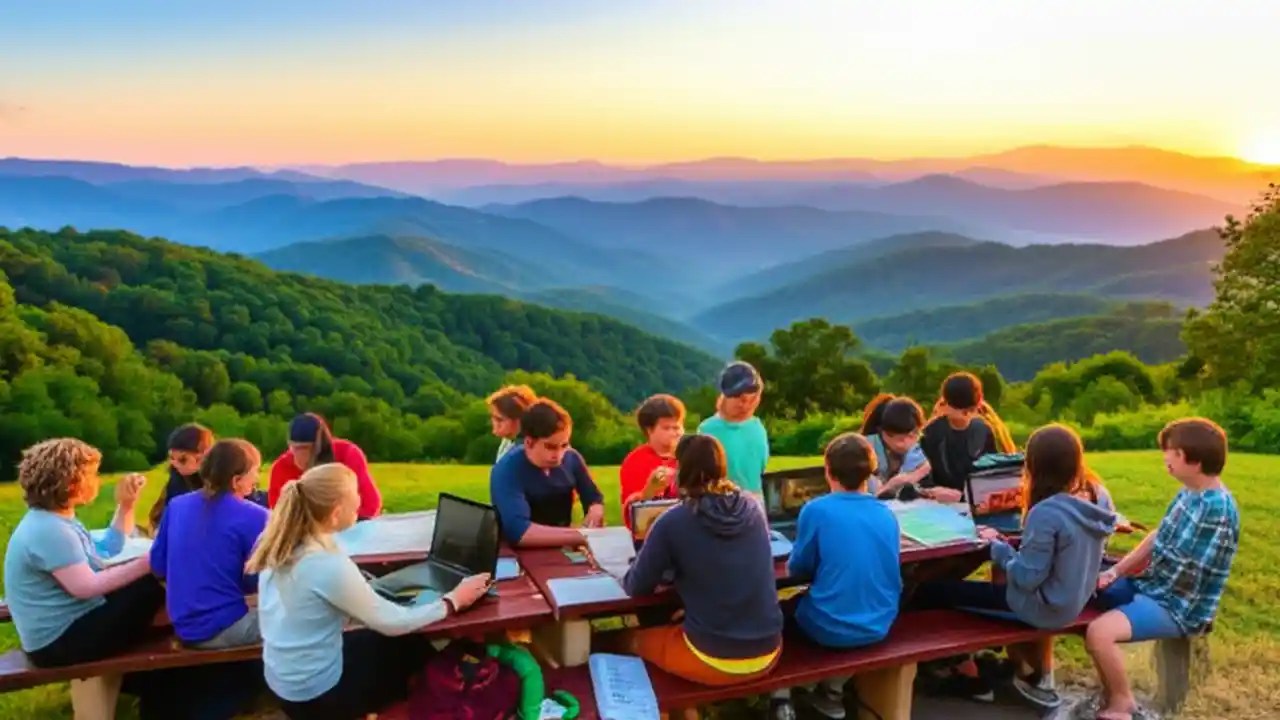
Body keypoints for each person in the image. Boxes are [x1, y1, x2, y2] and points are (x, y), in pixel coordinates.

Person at [251, 463, 491, 720]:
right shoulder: (325, 563)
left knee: (392, 641)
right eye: (355, 493)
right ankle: (440, 700)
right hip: (318, 697)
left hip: (285, 683)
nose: (360, 499)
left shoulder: (281, 542)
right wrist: (453, 600)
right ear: (335, 512)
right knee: (408, 648)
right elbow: (393, 623)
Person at [912, 424, 1117, 709]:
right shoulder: (1096, 501)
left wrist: (997, 547)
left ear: (1032, 465)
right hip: (1072, 601)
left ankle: (946, 669)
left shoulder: (1045, 513)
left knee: (930, 591)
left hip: (1040, 608)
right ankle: (970, 663)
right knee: (957, 591)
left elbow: (1026, 576)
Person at [1087, 418, 1239, 720]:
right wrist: (1115, 571)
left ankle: (1122, 703)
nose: (1165, 458)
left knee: (1098, 633)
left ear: (1191, 459)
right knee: (1087, 589)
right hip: (1154, 588)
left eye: (1171, 452)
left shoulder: (1217, 510)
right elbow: (1160, 536)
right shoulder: (1190, 492)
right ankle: (1110, 688)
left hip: (1176, 607)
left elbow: (1188, 576)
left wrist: (1135, 589)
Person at [615, 434, 783, 691]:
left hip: (713, 657)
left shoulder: (673, 521)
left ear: (680, 469)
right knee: (675, 623)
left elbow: (636, 586)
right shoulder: (752, 508)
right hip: (770, 649)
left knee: (622, 640)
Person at [3, 439, 163, 668]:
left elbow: (108, 546)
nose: (96, 481)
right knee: (151, 586)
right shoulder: (49, 530)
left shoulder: (52, 518)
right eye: (91, 475)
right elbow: (85, 587)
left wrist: (127, 505)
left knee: (147, 583)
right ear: (70, 482)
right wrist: (149, 561)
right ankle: (193, 649)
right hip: (58, 644)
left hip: (65, 631)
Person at [775, 433, 902, 720]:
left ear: (828, 472)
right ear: (870, 474)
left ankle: (781, 697)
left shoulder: (816, 510)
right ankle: (832, 690)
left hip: (828, 627)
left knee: (774, 615)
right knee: (843, 598)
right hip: (881, 622)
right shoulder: (887, 514)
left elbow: (798, 569)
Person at [150, 439, 270, 649]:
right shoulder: (255, 516)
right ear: (236, 480)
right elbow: (266, 580)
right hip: (223, 628)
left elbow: (158, 564)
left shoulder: (177, 506)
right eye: (255, 471)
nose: (257, 478)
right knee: (312, 618)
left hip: (183, 626)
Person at [490, 399, 606, 547]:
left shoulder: (571, 458)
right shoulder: (507, 469)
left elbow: (594, 497)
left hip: (563, 546)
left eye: (564, 445)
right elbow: (519, 533)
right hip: (520, 555)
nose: (558, 455)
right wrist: (582, 536)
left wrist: (595, 510)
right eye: (550, 447)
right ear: (529, 443)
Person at [268, 413, 382, 520]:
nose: (300, 456)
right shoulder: (281, 467)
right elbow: (279, 514)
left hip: (350, 526)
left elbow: (370, 505)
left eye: (306, 448)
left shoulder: (347, 454)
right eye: (295, 448)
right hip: (304, 532)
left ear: (320, 446)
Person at [918, 373, 999, 503]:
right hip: (940, 505)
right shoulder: (931, 433)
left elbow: (994, 472)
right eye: (961, 410)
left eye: (969, 411)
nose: (965, 416)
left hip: (977, 502)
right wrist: (934, 492)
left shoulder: (983, 431)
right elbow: (922, 478)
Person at [698, 361, 769, 502]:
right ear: (725, 396)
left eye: (753, 399)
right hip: (719, 502)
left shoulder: (757, 427)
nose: (747, 405)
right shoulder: (707, 430)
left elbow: (760, 469)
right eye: (741, 399)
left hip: (754, 502)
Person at [619, 394, 685, 531]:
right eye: (667, 428)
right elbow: (632, 518)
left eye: (677, 427)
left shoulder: (689, 456)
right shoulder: (635, 461)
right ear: (650, 430)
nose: (675, 433)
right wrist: (649, 492)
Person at [858, 394, 930, 498]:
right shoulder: (865, 449)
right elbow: (869, 495)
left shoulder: (917, 448)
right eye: (900, 439)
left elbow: (925, 468)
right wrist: (891, 485)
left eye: (913, 435)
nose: (907, 443)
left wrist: (913, 476)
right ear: (884, 433)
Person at [148, 423, 216, 530]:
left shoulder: (224, 478)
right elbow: (160, 518)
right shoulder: (176, 479)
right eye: (172, 458)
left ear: (203, 457)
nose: (176, 464)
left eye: (182, 460)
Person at [487, 384, 538, 463]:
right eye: (492, 417)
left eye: (499, 419)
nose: (494, 423)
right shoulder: (508, 441)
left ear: (519, 420)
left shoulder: (524, 452)